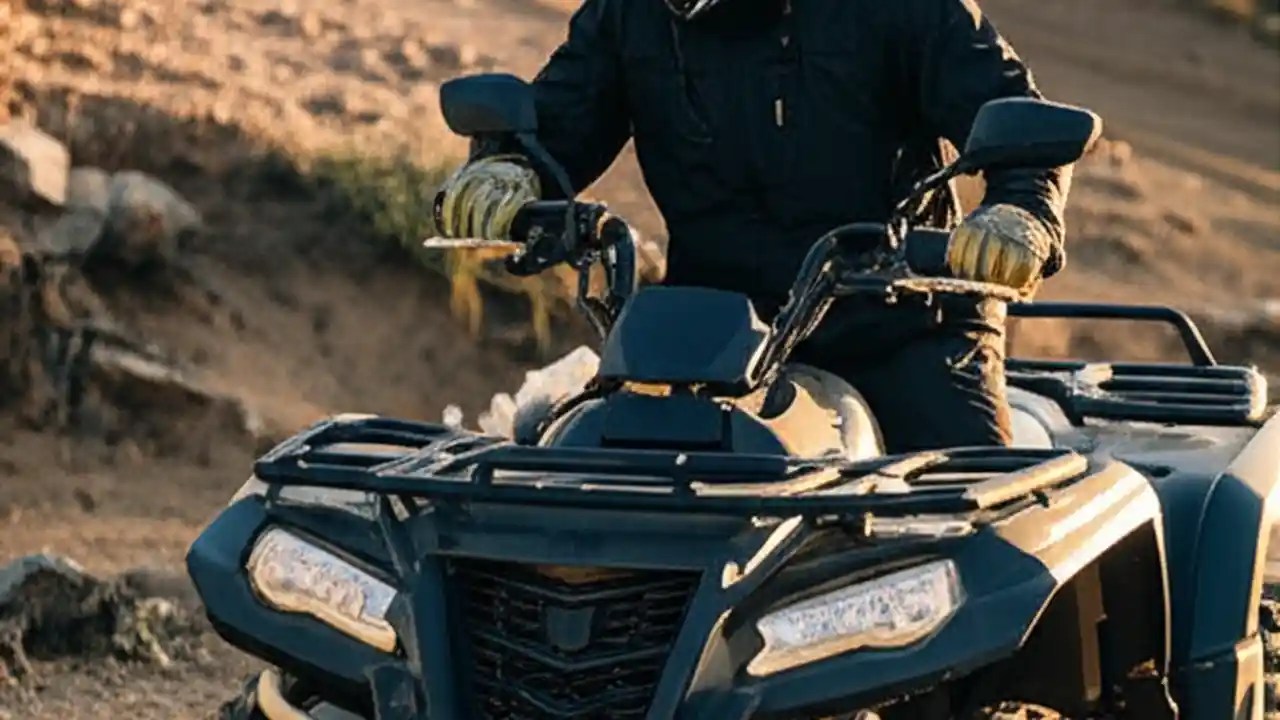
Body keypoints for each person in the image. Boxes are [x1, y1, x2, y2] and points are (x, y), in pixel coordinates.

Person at [433, 0, 1075, 453]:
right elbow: (561, 123)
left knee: (978, 522)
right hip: (713, 342)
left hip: (902, 328)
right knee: (590, 508)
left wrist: (1019, 212)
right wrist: (511, 168)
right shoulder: (631, 12)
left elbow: (1014, 114)